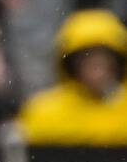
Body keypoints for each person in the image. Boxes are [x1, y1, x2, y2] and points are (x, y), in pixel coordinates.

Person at [17, 8, 127, 144]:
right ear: (70, 64)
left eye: (103, 56)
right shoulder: (44, 111)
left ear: (118, 61)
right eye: (85, 57)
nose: (95, 66)